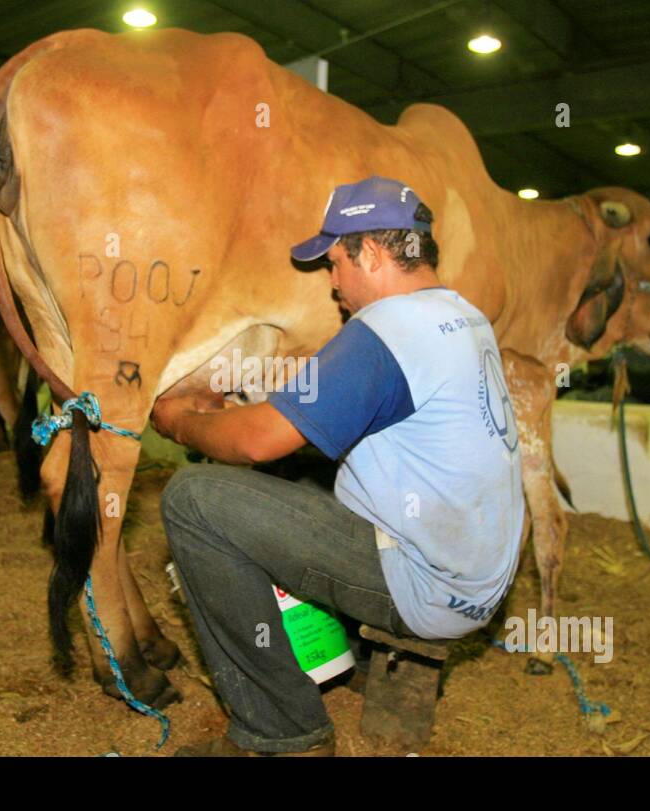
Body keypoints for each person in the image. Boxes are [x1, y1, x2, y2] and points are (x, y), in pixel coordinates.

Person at [151, 175, 525, 756]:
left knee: (194, 498)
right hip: (477, 574)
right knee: (287, 473)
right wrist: (251, 410)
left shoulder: (386, 329)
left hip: (425, 585)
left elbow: (257, 442)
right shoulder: (459, 315)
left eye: (334, 263)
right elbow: (316, 408)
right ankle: (325, 646)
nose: (333, 284)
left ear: (371, 254)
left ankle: (282, 735)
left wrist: (179, 422)